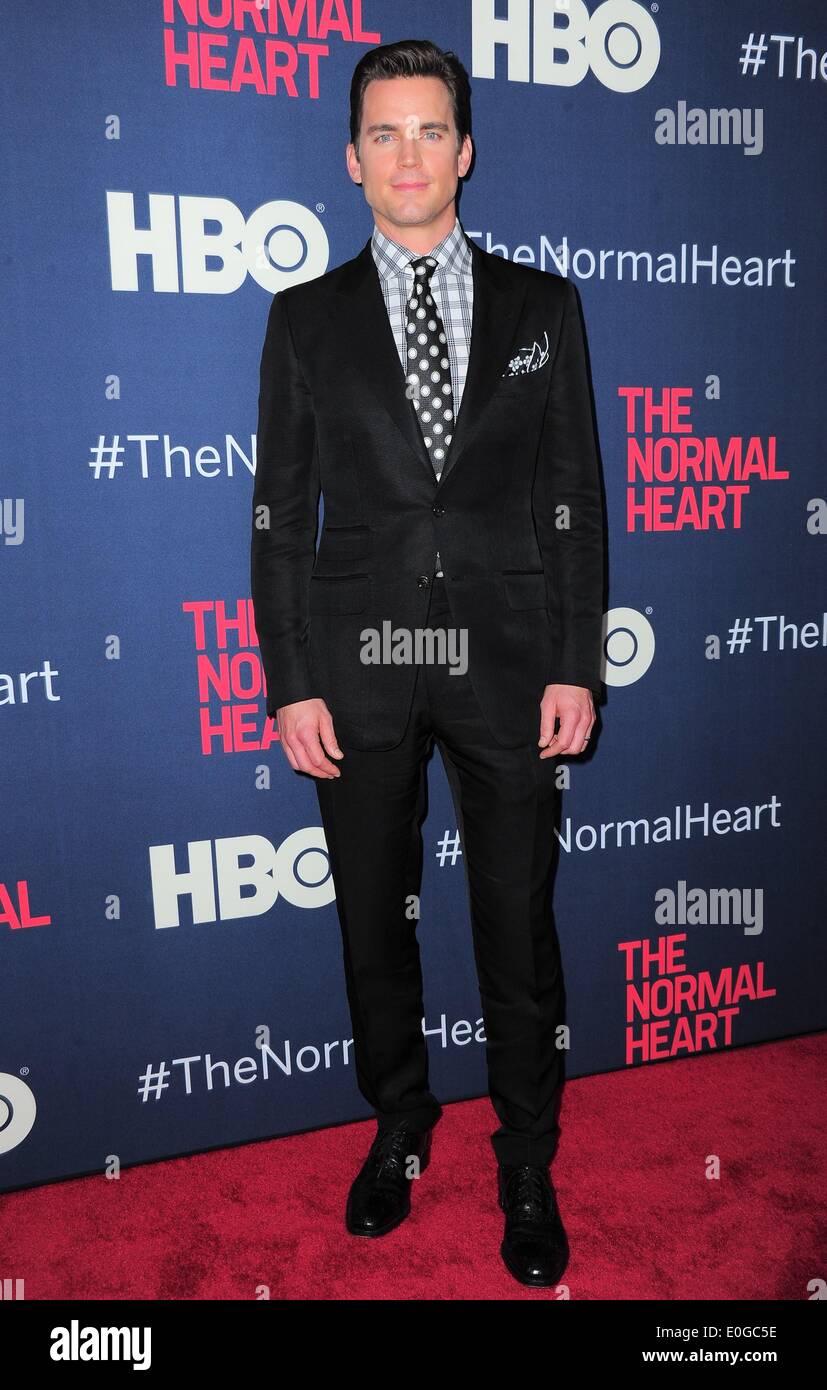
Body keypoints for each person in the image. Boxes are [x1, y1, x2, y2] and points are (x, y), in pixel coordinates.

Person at [251, 38, 606, 1288]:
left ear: (465, 150)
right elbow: (278, 513)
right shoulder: (302, 319)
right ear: (352, 161)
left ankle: (526, 1151)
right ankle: (399, 1125)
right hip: (357, 669)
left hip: (511, 665)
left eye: (430, 130)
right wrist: (290, 677)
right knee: (370, 923)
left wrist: (576, 658)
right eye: (383, 134)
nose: (409, 154)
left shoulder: (543, 307)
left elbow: (574, 494)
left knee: (516, 920)